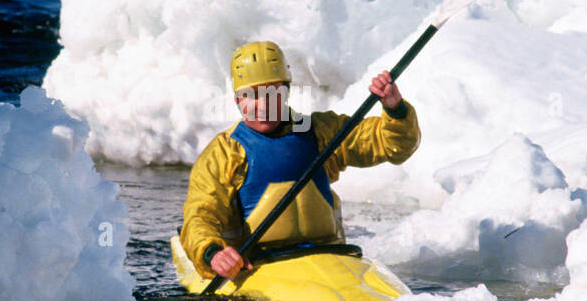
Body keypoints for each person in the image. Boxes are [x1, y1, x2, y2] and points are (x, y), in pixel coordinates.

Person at [180, 40, 421, 280]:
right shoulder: (223, 153)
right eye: (251, 96)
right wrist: (212, 252)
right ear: (237, 100)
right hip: (256, 268)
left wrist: (395, 110)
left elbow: (394, 146)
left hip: (330, 258)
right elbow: (201, 215)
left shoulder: (321, 133)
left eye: (273, 93)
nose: (263, 105)